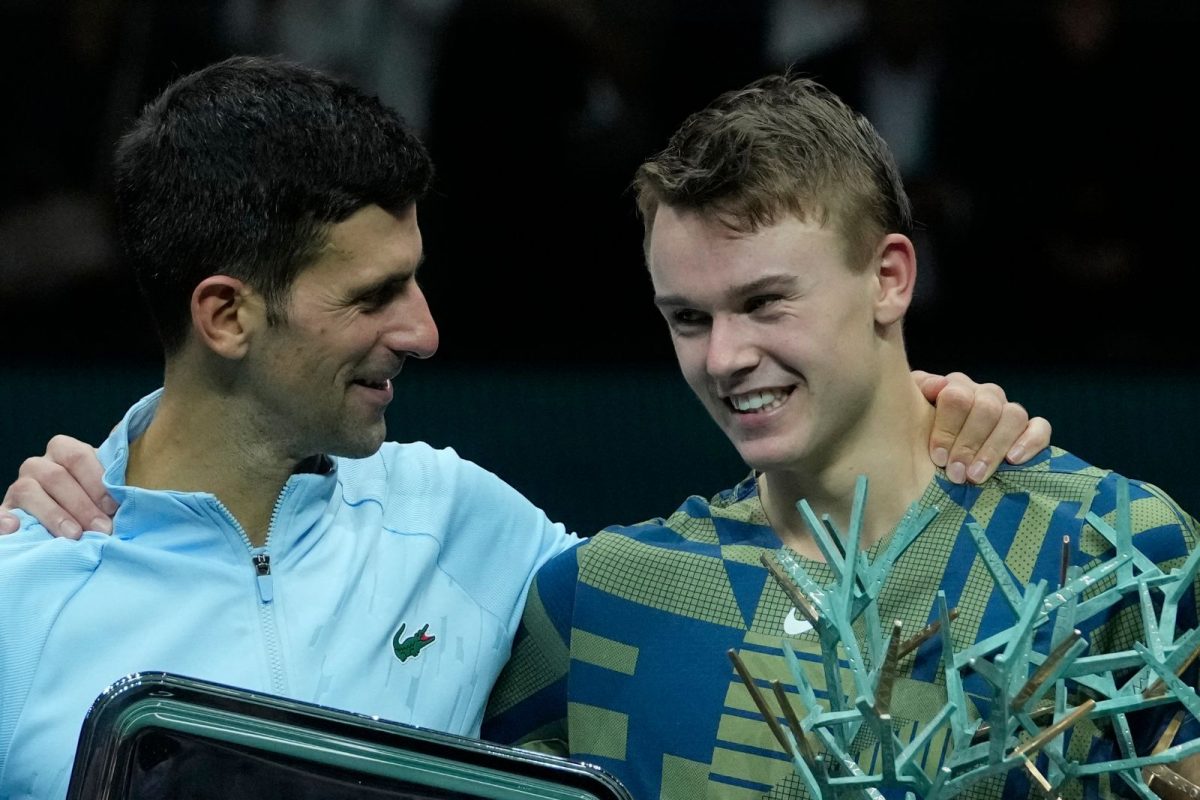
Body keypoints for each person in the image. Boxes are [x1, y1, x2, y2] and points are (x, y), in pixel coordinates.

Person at [0, 57, 1049, 798]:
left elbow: (724, 593)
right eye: (376, 295)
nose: (423, 329)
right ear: (226, 314)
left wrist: (917, 425)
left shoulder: (460, 521)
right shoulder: (20, 598)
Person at [479, 75, 1200, 798]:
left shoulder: (1119, 555)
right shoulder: (601, 598)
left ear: (888, 277)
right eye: (688, 319)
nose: (724, 358)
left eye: (764, 303)